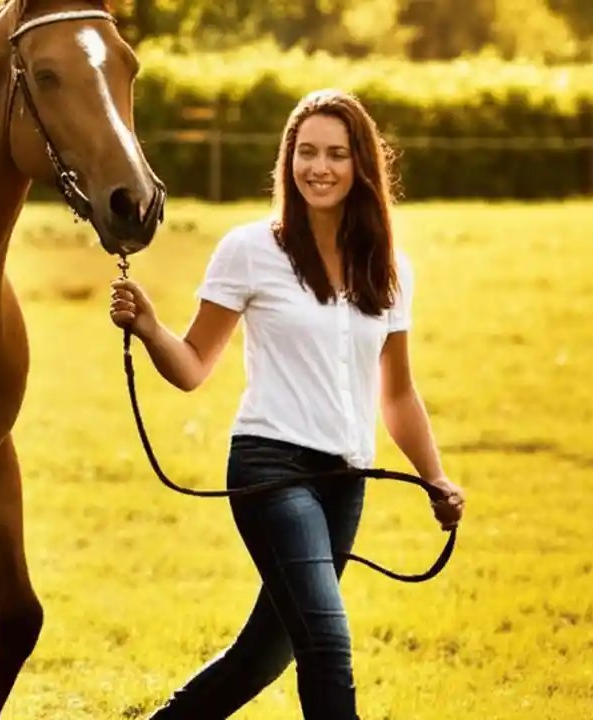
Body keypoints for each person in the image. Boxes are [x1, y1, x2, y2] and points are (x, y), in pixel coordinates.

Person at [108, 89, 466, 720]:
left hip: (345, 481)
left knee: (265, 654)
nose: (318, 168)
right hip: (271, 468)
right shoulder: (251, 250)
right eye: (306, 153)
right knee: (326, 642)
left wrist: (434, 478)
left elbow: (398, 391)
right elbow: (192, 367)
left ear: (361, 165)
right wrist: (150, 328)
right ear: (287, 160)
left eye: (335, 153)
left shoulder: (389, 268)